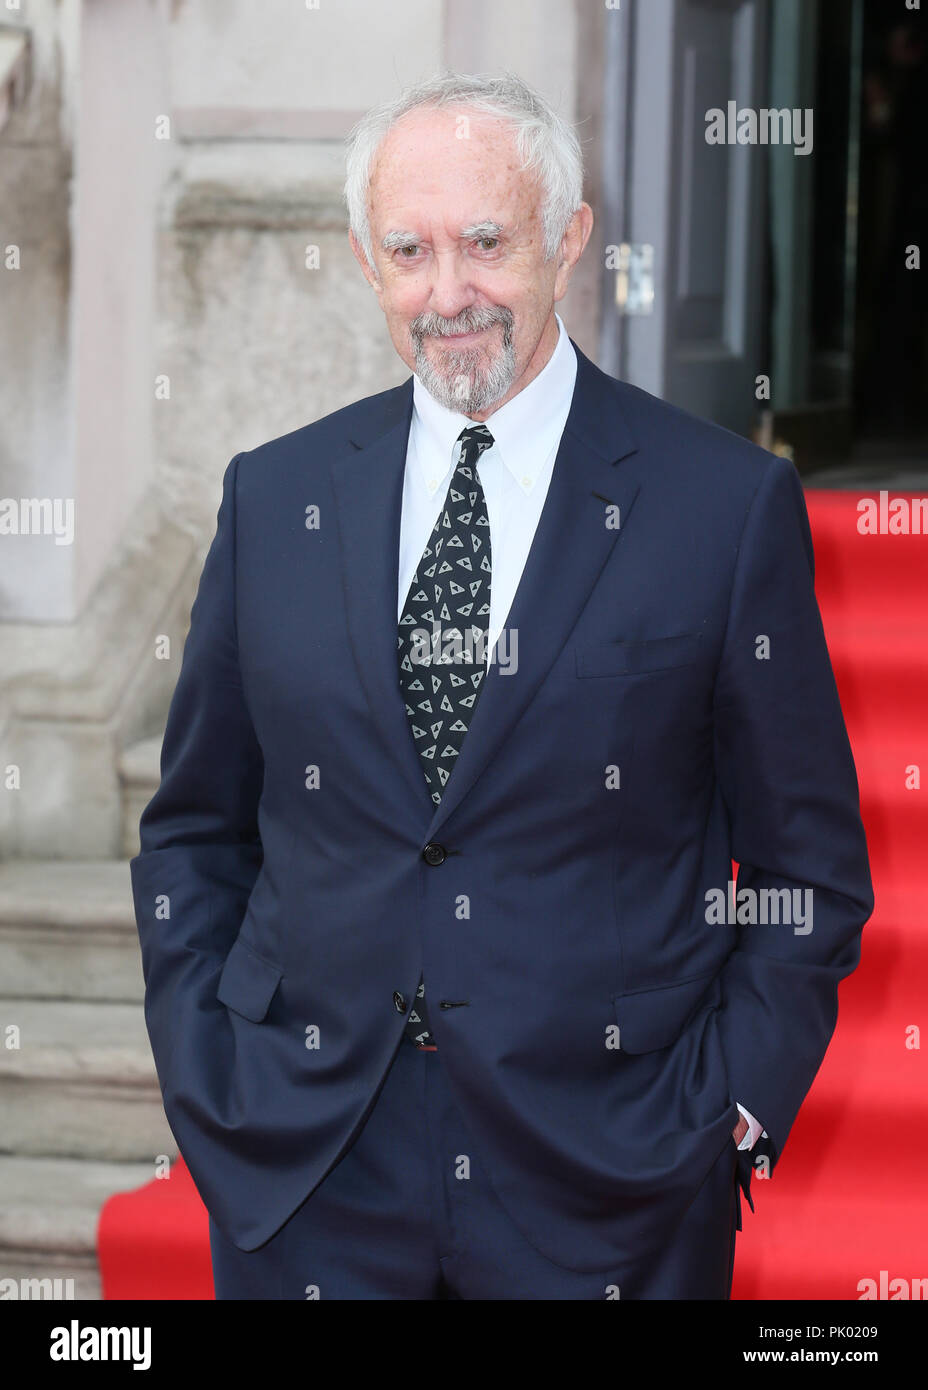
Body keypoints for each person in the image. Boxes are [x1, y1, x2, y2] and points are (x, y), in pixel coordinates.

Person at [130, 71, 873, 1300]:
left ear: (569, 239)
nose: (448, 293)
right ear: (367, 263)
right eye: (409, 250)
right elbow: (198, 827)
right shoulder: (274, 497)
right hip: (306, 1173)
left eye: (487, 241)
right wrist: (207, 1074)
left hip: (608, 1186)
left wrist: (723, 1112)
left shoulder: (722, 508)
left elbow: (808, 871)